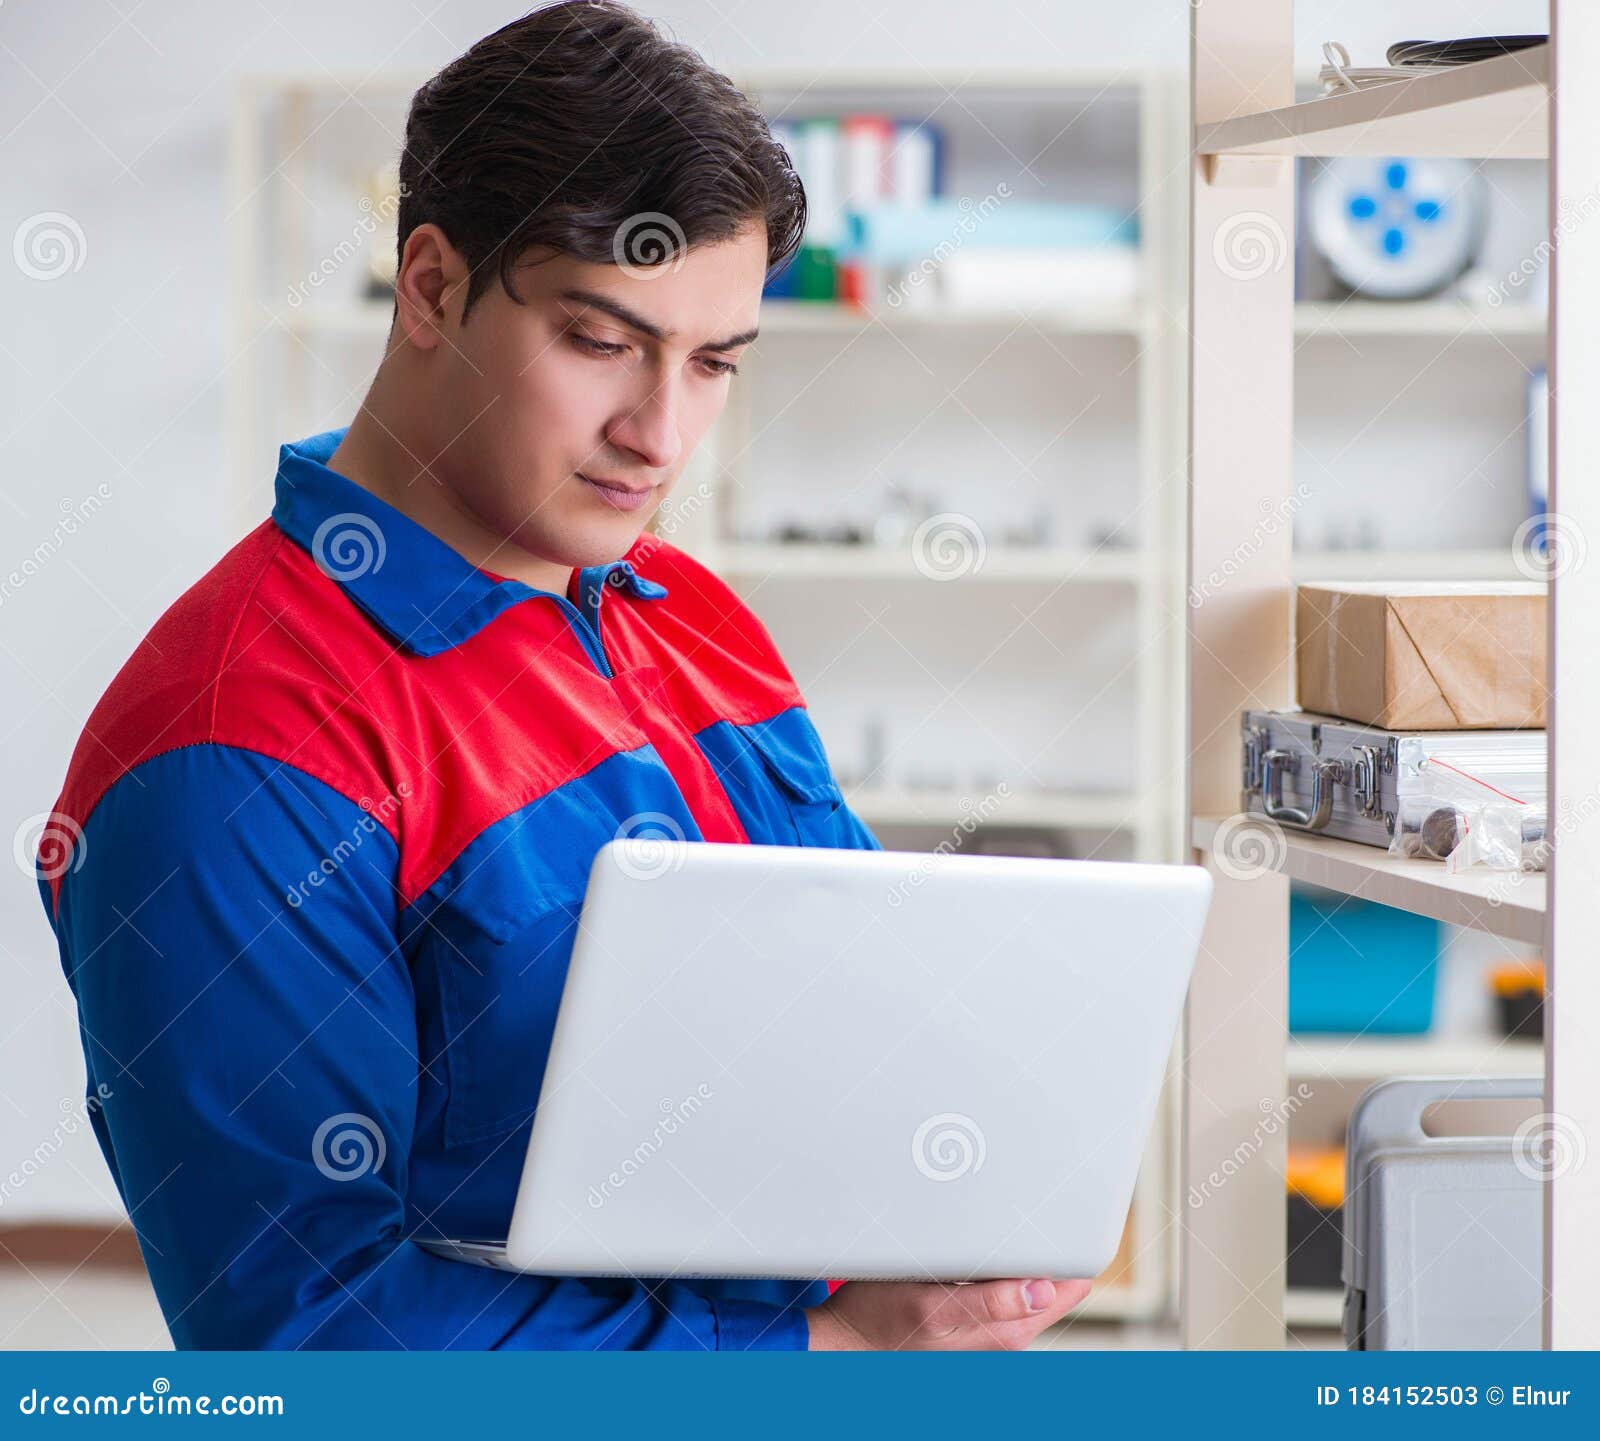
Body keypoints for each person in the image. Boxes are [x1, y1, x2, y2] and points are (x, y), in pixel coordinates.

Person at [36, 0, 1091, 1350]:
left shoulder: (689, 611)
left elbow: (848, 1004)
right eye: (602, 341)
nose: (660, 432)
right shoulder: (236, 748)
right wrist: (835, 1349)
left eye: (712, 361)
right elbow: (314, 1341)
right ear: (428, 286)